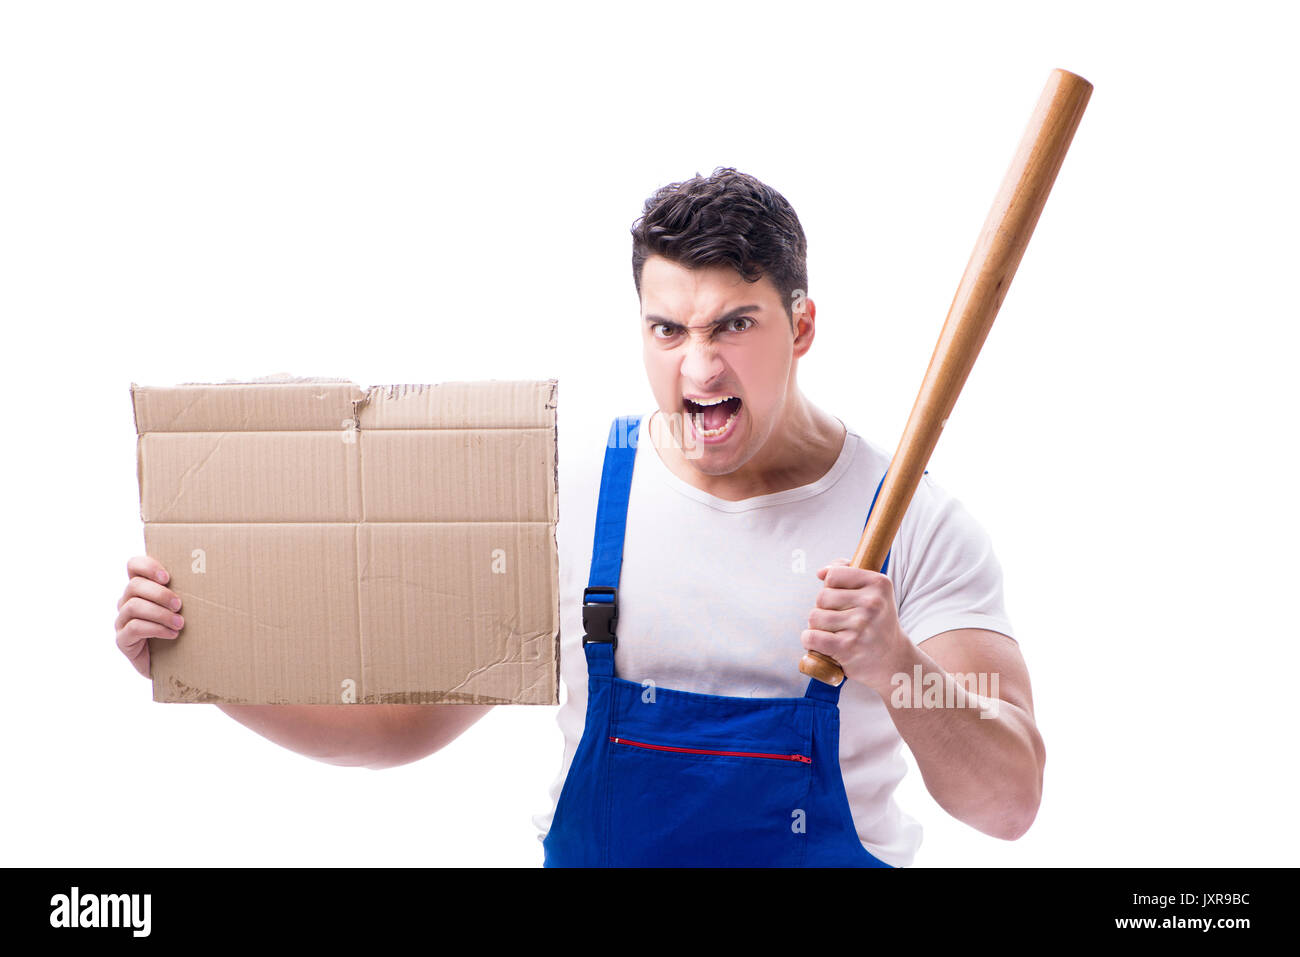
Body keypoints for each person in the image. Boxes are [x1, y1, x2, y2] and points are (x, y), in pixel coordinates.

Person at [115, 167, 1044, 866]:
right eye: (668, 329)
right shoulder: (574, 507)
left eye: (734, 325)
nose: (699, 370)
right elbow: (397, 727)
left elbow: (1009, 799)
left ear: (800, 326)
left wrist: (898, 665)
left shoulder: (912, 524)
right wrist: (206, 665)